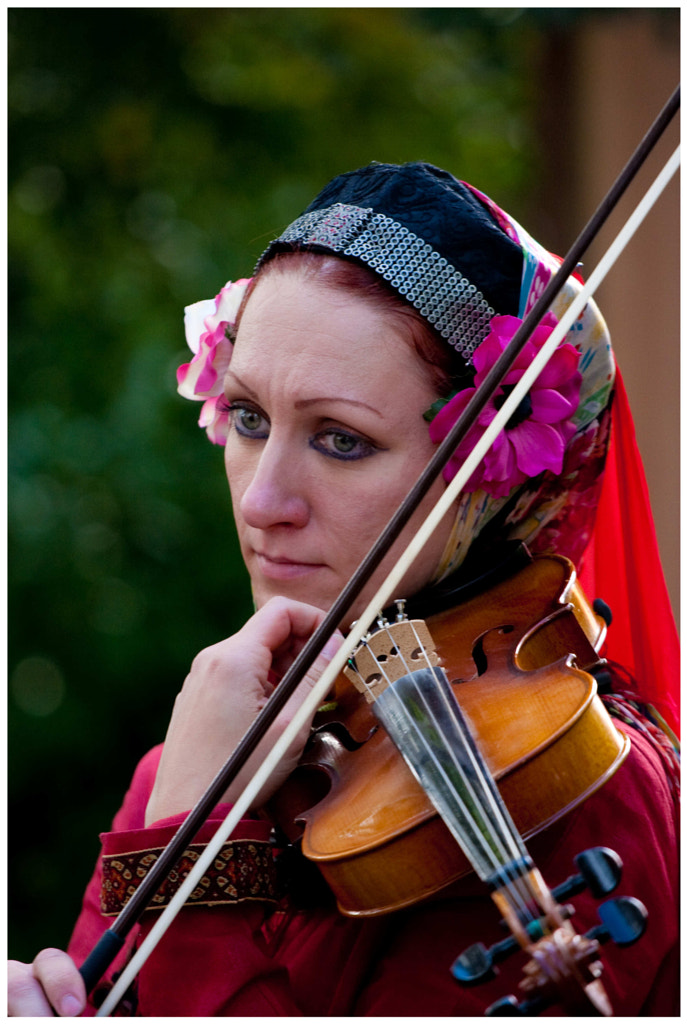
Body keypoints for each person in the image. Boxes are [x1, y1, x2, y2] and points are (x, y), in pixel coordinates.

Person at [8, 163, 679, 1017]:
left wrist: (192, 845)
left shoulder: (569, 794)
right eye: (249, 418)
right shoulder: (202, 748)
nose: (261, 502)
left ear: (495, 476)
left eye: (341, 440)